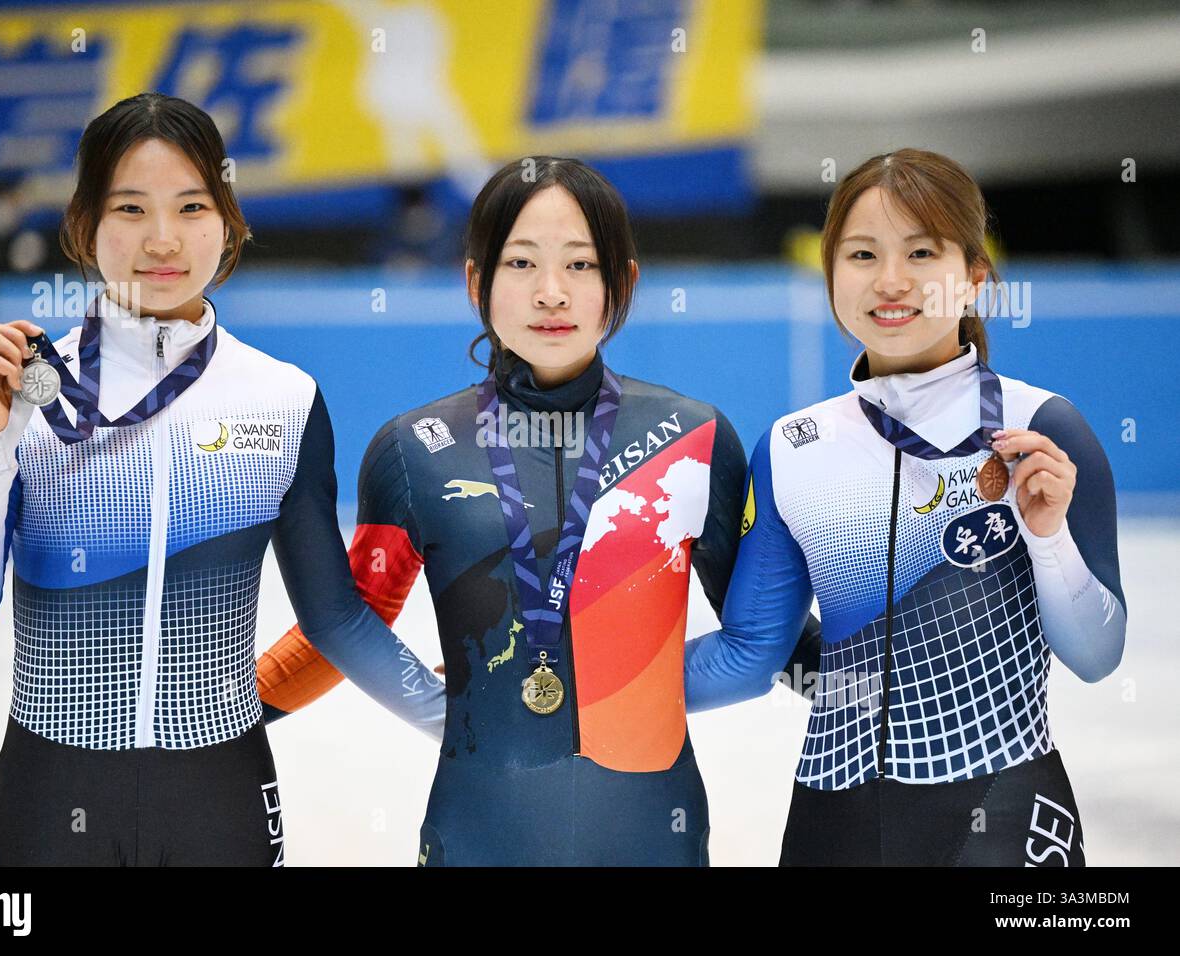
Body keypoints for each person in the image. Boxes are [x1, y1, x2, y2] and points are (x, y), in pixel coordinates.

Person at [0, 92, 442, 867]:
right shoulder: (27, 388)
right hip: (48, 788)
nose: (162, 239)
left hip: (220, 796)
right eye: (130, 208)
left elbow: (336, 620)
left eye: (191, 206)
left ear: (227, 221)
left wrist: (463, 718)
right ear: (83, 225)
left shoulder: (283, 399)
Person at [256, 156, 821, 866]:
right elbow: (346, 618)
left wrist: (879, 689)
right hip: (475, 833)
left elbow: (763, 639)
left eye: (581, 266)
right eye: (521, 264)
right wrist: (235, 712)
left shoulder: (694, 440)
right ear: (476, 282)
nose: (551, 293)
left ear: (624, 283)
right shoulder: (413, 452)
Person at [685, 148, 1127, 866]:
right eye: (862, 254)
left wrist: (1048, 538)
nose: (891, 281)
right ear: (830, 275)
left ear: (975, 276)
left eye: (921, 252)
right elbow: (747, 659)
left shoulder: (1041, 428)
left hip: (1004, 813)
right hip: (833, 821)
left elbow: (1098, 657)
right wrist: (562, 689)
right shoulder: (793, 448)